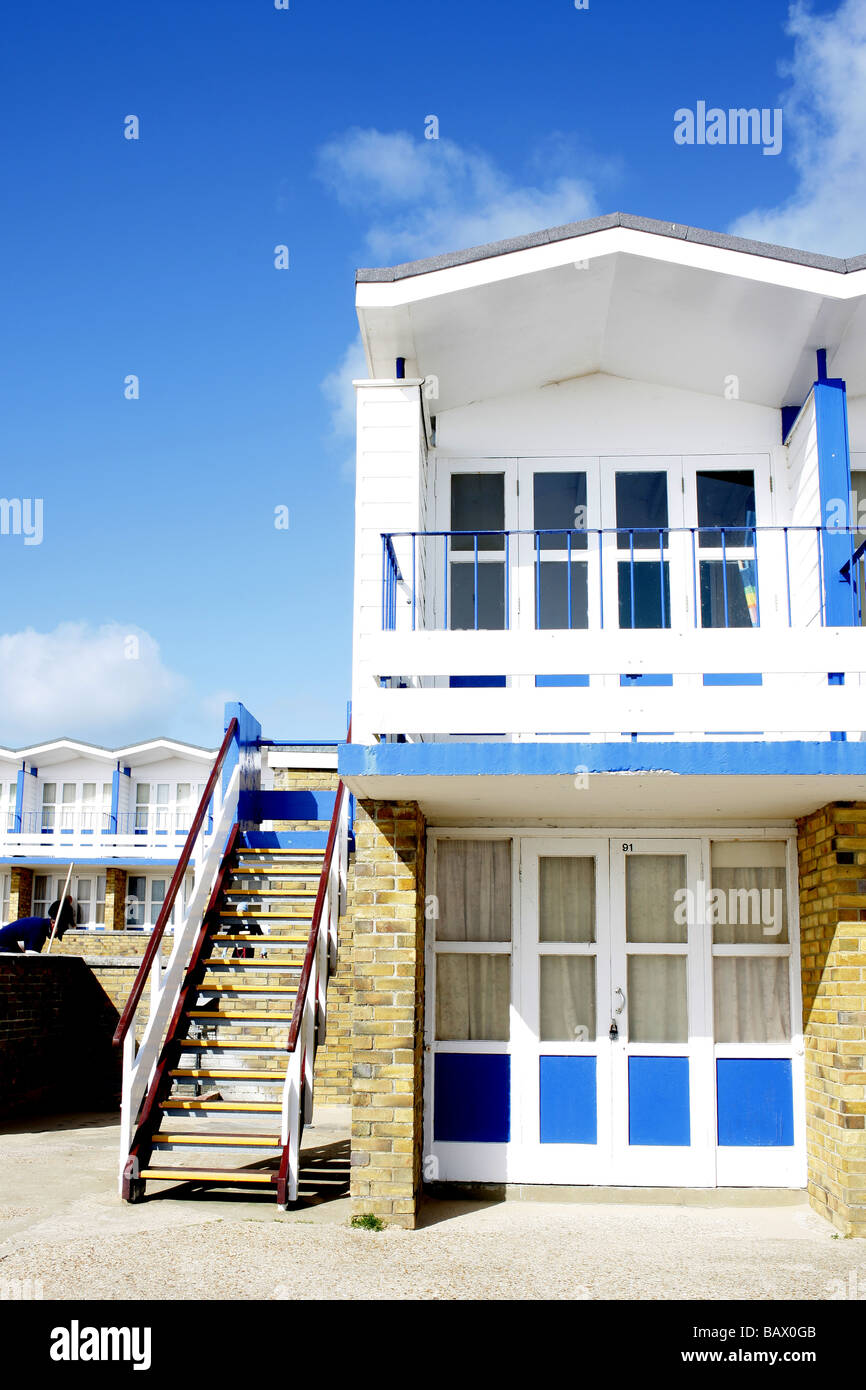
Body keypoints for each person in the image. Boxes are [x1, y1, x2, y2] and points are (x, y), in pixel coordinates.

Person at [0, 894, 76, 954]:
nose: (55, 937)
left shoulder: (40, 926)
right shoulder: (38, 930)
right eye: (58, 933)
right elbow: (32, 959)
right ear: (54, 924)